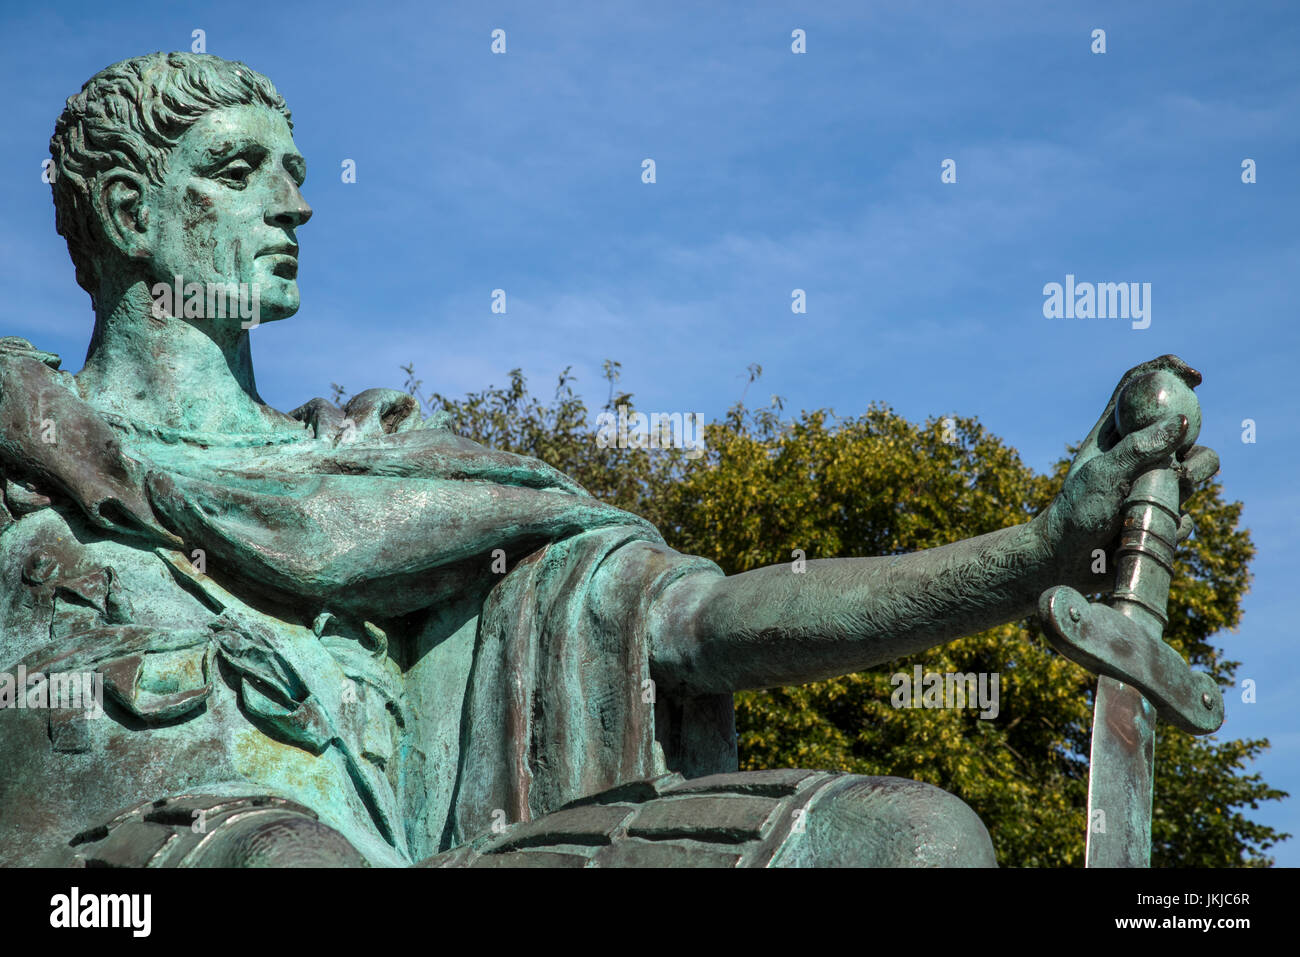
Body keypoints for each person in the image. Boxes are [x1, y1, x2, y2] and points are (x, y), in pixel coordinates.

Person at [0, 52, 1218, 867]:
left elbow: (699, 623)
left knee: (908, 838)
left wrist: (1038, 549)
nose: (294, 207)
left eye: (298, 175)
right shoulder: (21, 465)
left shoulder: (407, 481)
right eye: (235, 172)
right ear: (122, 210)